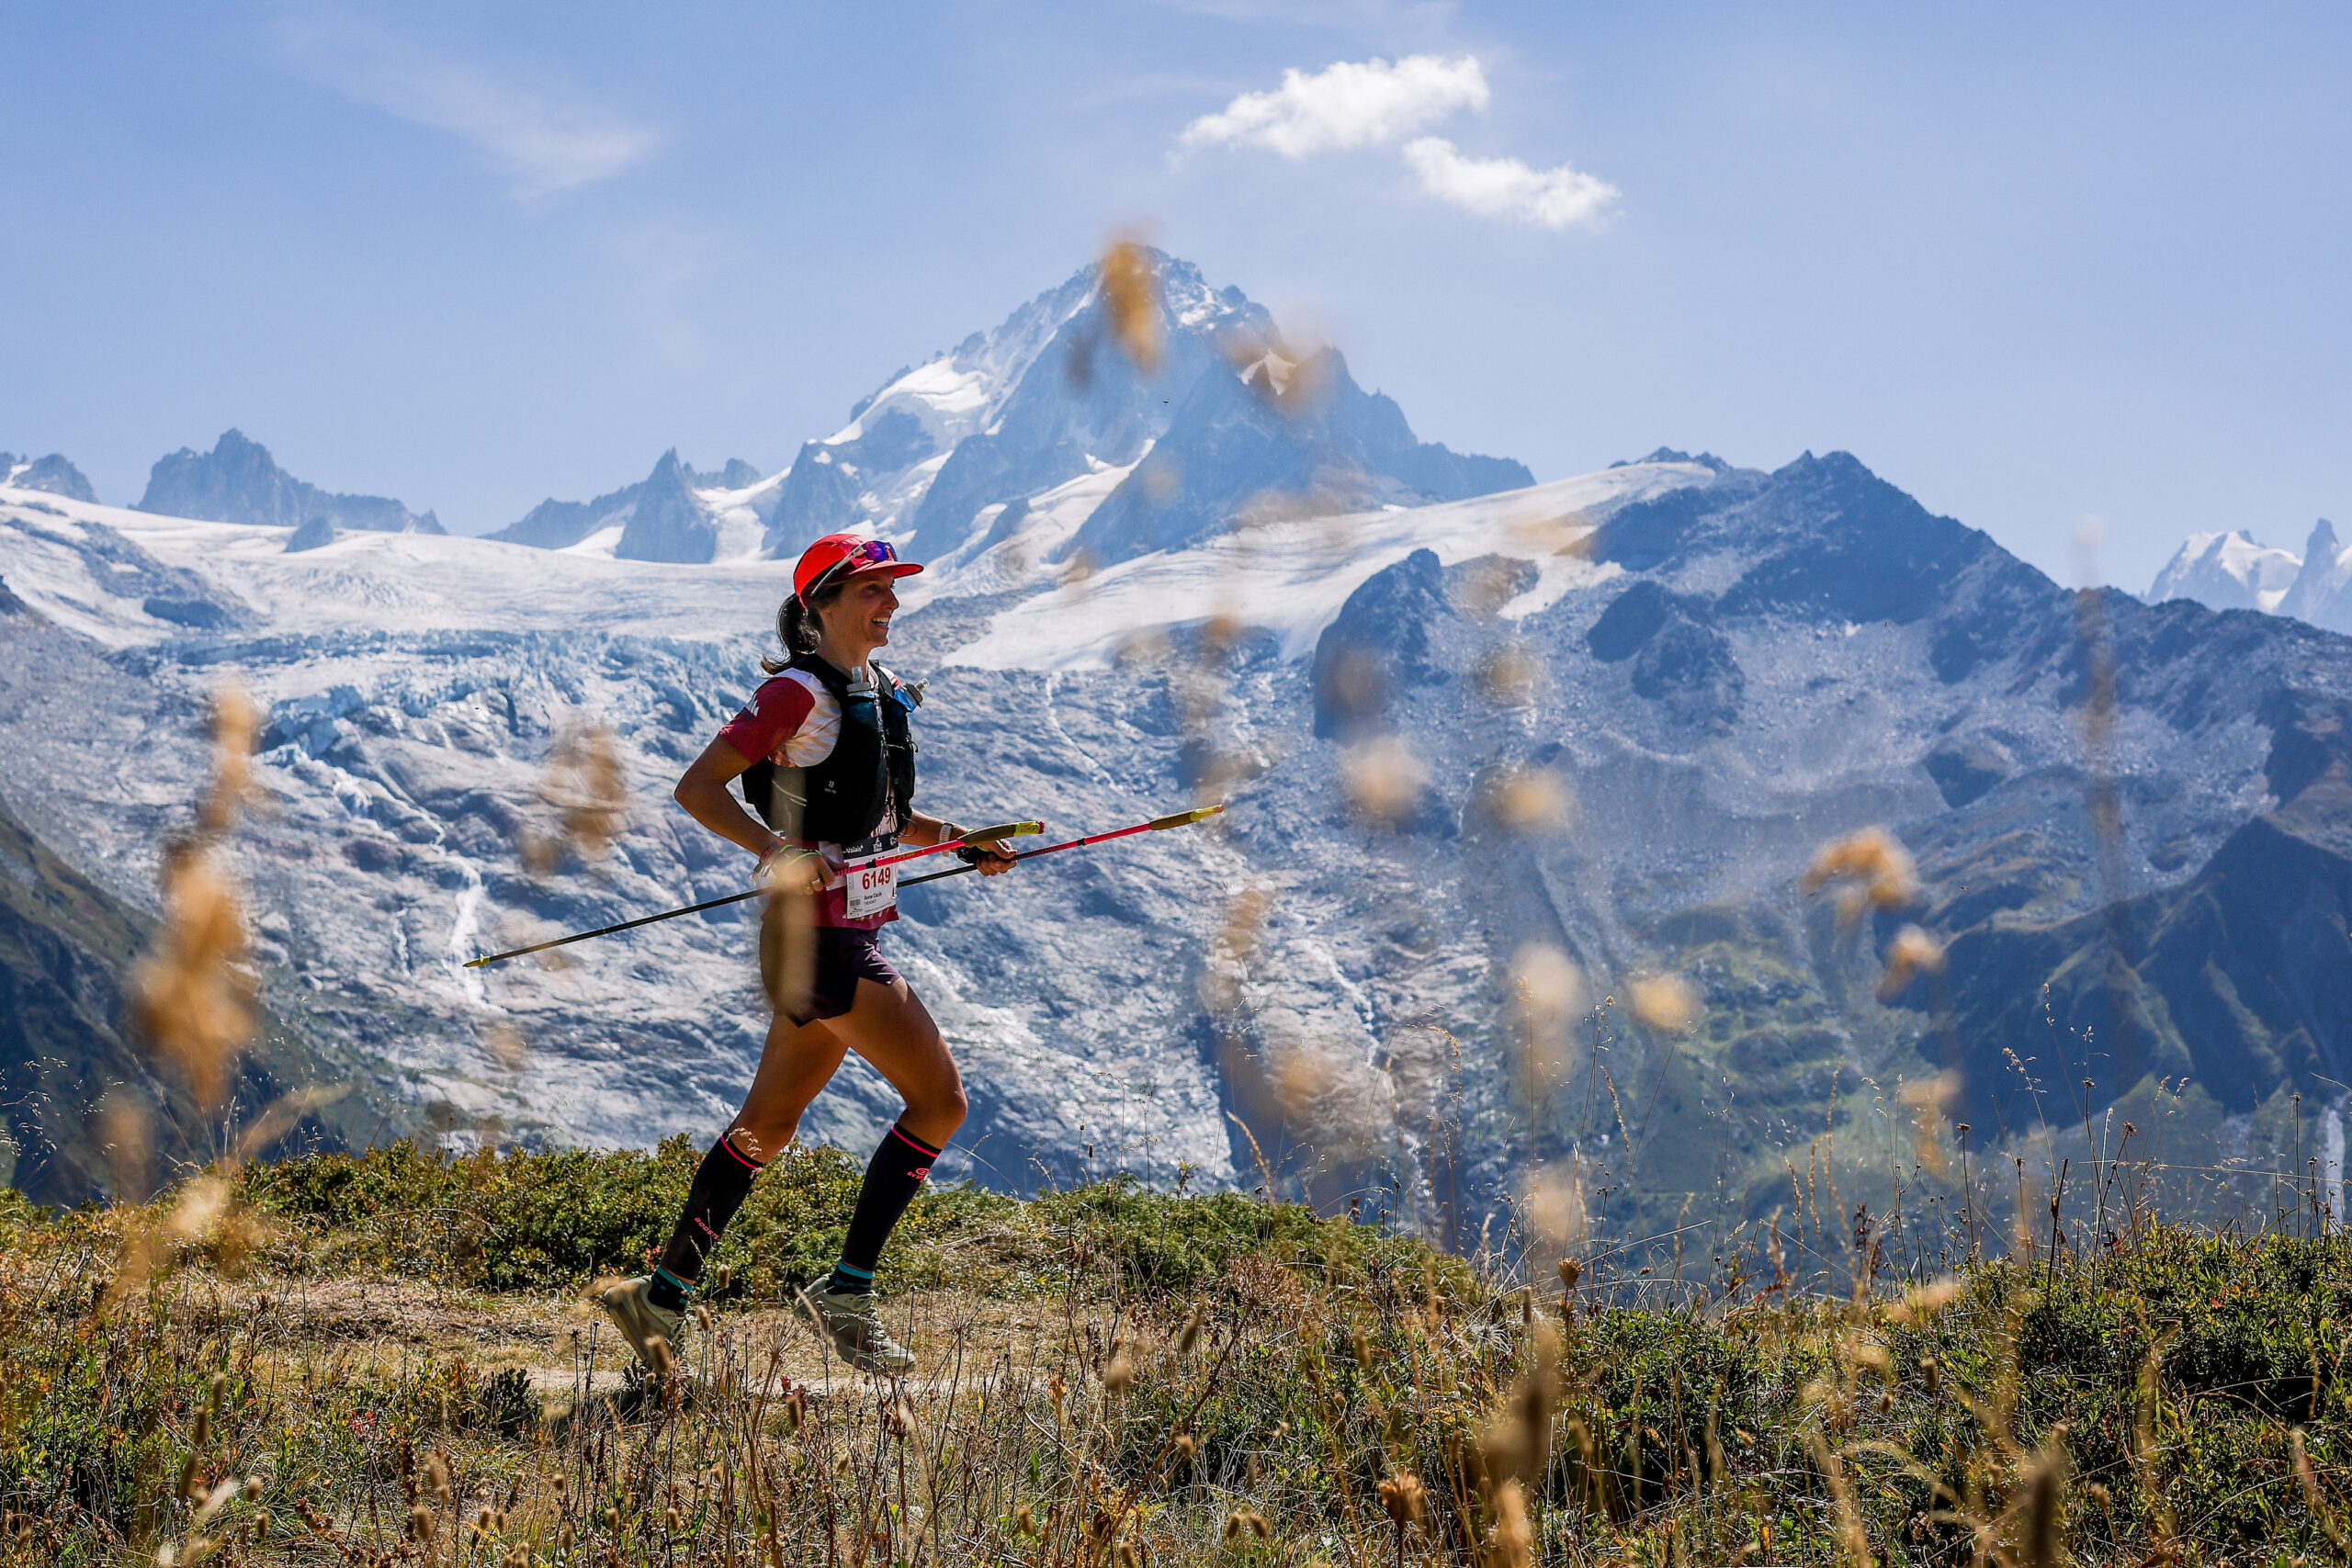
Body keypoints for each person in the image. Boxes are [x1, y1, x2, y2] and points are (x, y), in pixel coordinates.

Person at [597, 532, 1017, 1377]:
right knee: (940, 1103)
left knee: (768, 1125)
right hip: (816, 940)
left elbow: (885, 823)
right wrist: (774, 850)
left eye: (893, 589)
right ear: (821, 603)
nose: (890, 603)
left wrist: (962, 841)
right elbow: (697, 787)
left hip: (841, 933)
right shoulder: (794, 695)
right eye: (872, 590)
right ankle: (848, 1291)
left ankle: (660, 1297)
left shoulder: (880, 693)